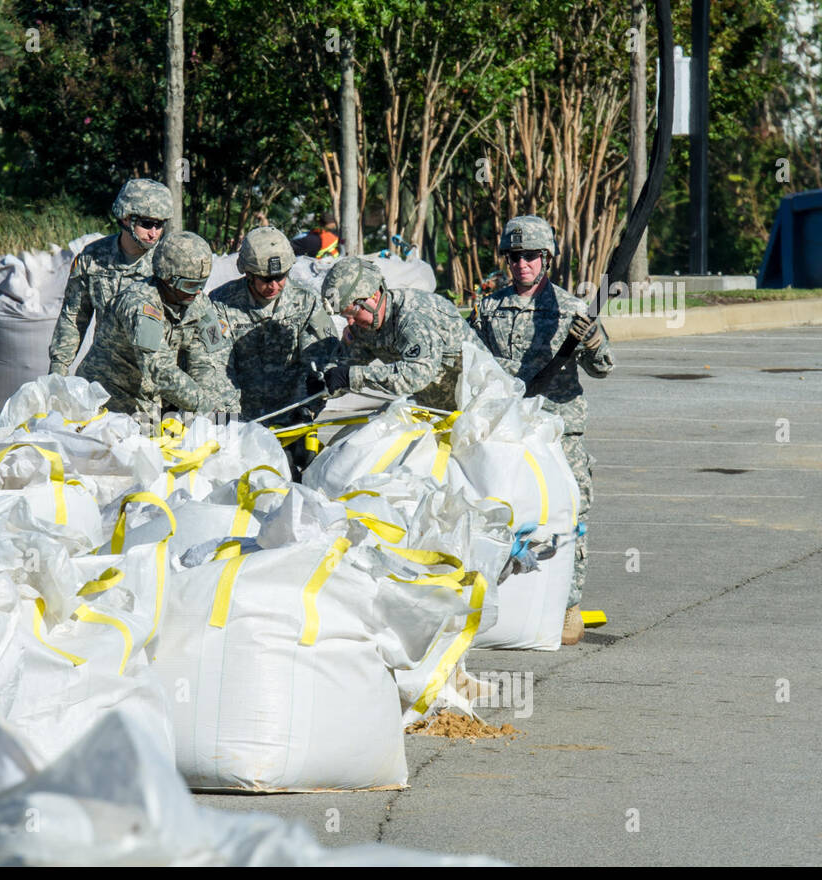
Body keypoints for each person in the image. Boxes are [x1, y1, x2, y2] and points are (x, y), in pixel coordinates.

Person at [468, 215, 615, 645]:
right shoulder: (489, 308)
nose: (522, 265)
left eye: (531, 256)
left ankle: (567, 604)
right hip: (507, 431)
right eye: (515, 257)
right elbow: (473, 362)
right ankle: (502, 602)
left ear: (546, 259)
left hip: (557, 430)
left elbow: (604, 367)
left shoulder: (570, 309)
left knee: (572, 518)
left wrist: (591, 342)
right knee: (498, 514)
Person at [80, 231, 238, 418]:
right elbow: (160, 369)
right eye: (189, 285)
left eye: (201, 284)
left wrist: (221, 409)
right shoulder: (139, 304)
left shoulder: (199, 304)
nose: (197, 292)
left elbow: (207, 361)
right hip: (107, 398)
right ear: (167, 279)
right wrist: (206, 408)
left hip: (150, 400)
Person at [313, 256, 488, 413]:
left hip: (482, 408)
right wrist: (319, 389)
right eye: (345, 316)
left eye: (353, 312)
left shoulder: (413, 315)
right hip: (441, 412)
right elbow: (343, 366)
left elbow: (417, 374)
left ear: (373, 295)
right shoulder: (364, 325)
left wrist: (351, 376)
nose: (350, 323)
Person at [209, 226, 339, 424]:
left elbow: (323, 359)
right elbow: (214, 363)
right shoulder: (221, 303)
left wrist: (309, 408)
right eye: (266, 279)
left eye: (280, 277)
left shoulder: (305, 302)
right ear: (249, 274)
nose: (274, 286)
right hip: (238, 419)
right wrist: (230, 417)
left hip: (292, 417)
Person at [47, 178, 173, 376]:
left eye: (160, 225)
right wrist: (58, 370)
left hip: (150, 382)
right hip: (101, 377)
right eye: (147, 224)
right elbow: (73, 316)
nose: (154, 233)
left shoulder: (168, 262)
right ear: (125, 218)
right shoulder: (93, 257)